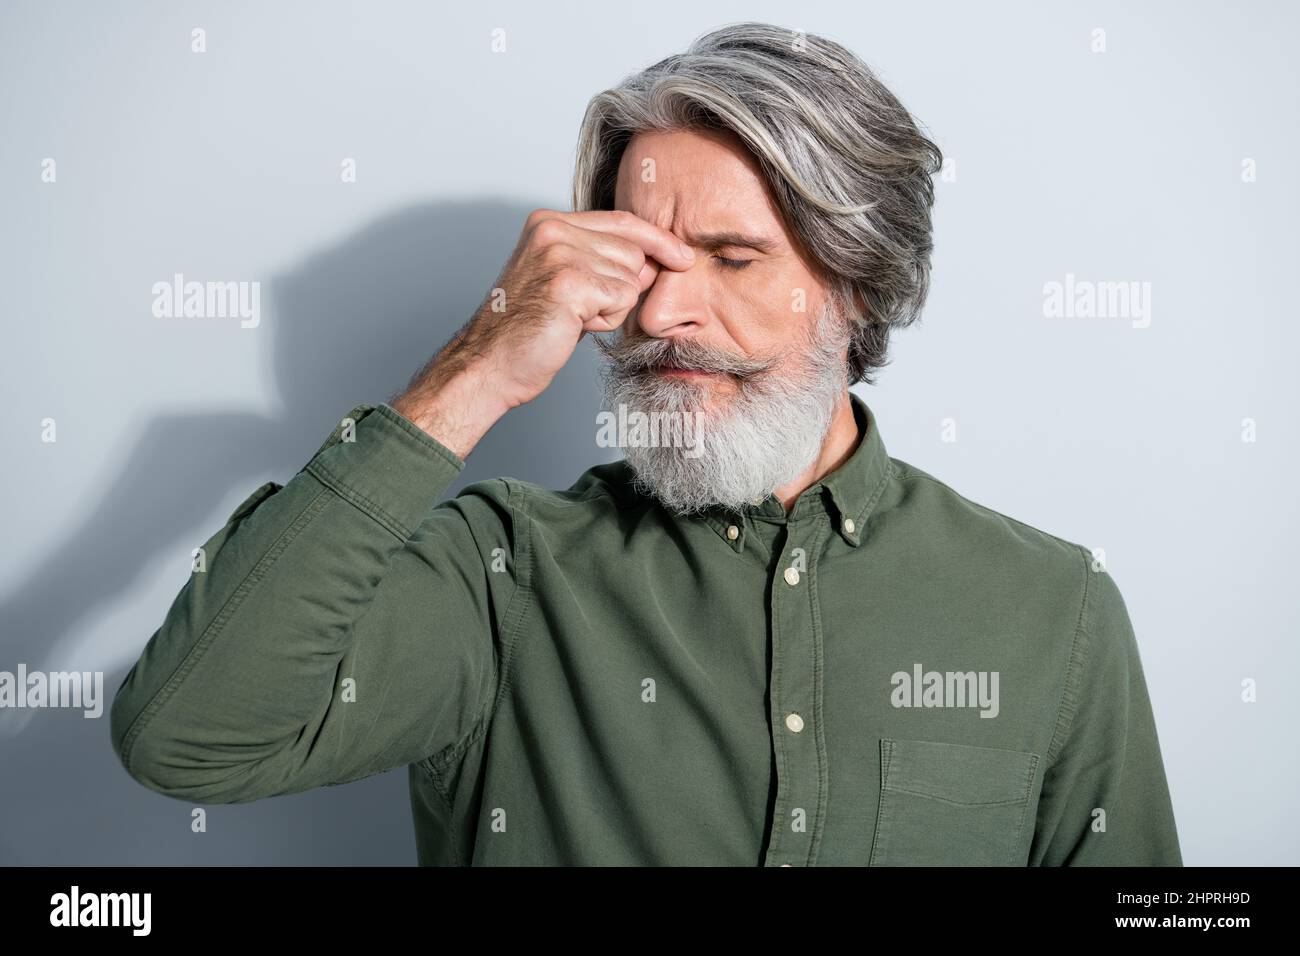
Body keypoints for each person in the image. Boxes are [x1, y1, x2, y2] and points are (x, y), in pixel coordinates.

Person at [110, 22, 1181, 866]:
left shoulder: (1053, 609)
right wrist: (474, 370)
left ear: (858, 284)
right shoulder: (502, 572)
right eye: (639, 261)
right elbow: (185, 734)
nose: (665, 312)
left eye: (730, 257)